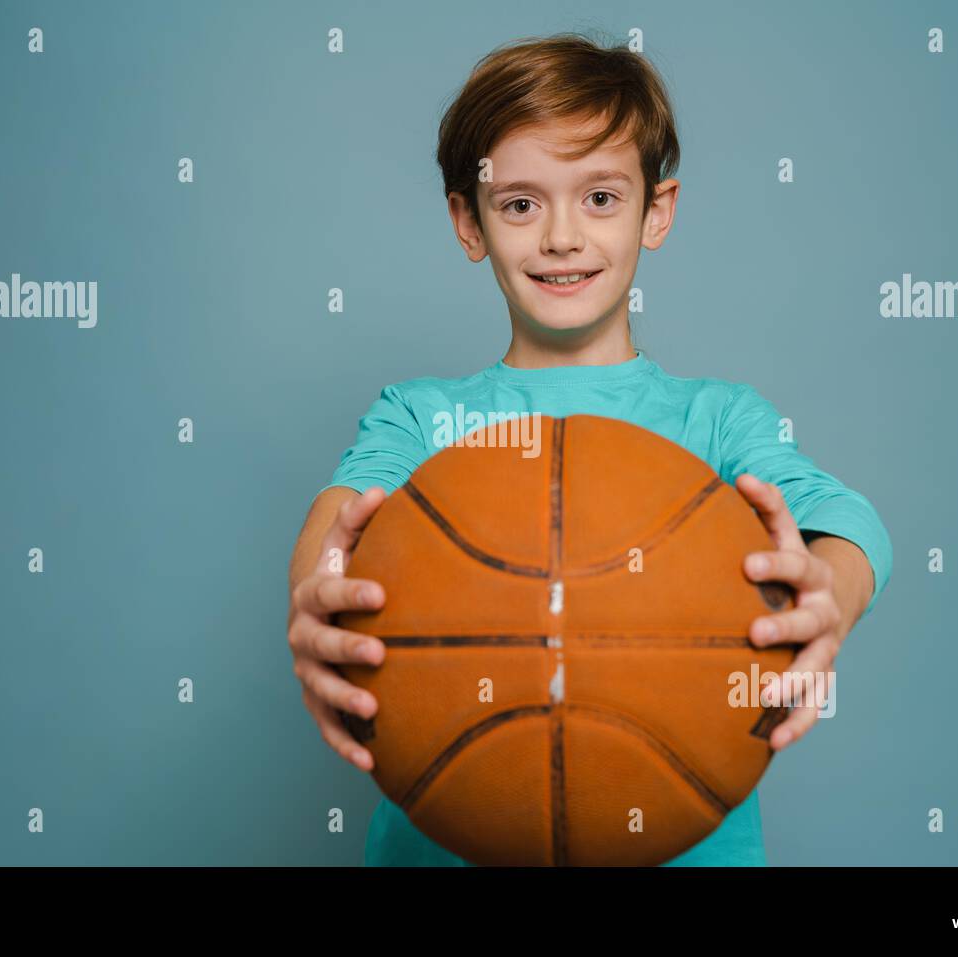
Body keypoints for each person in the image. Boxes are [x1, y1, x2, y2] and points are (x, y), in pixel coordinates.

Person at [286, 34, 891, 866]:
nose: (563, 237)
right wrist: (314, 594)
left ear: (659, 210)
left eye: (601, 197)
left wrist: (833, 588)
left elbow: (849, 523)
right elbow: (343, 514)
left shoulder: (717, 421)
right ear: (470, 221)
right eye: (521, 204)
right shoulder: (420, 418)